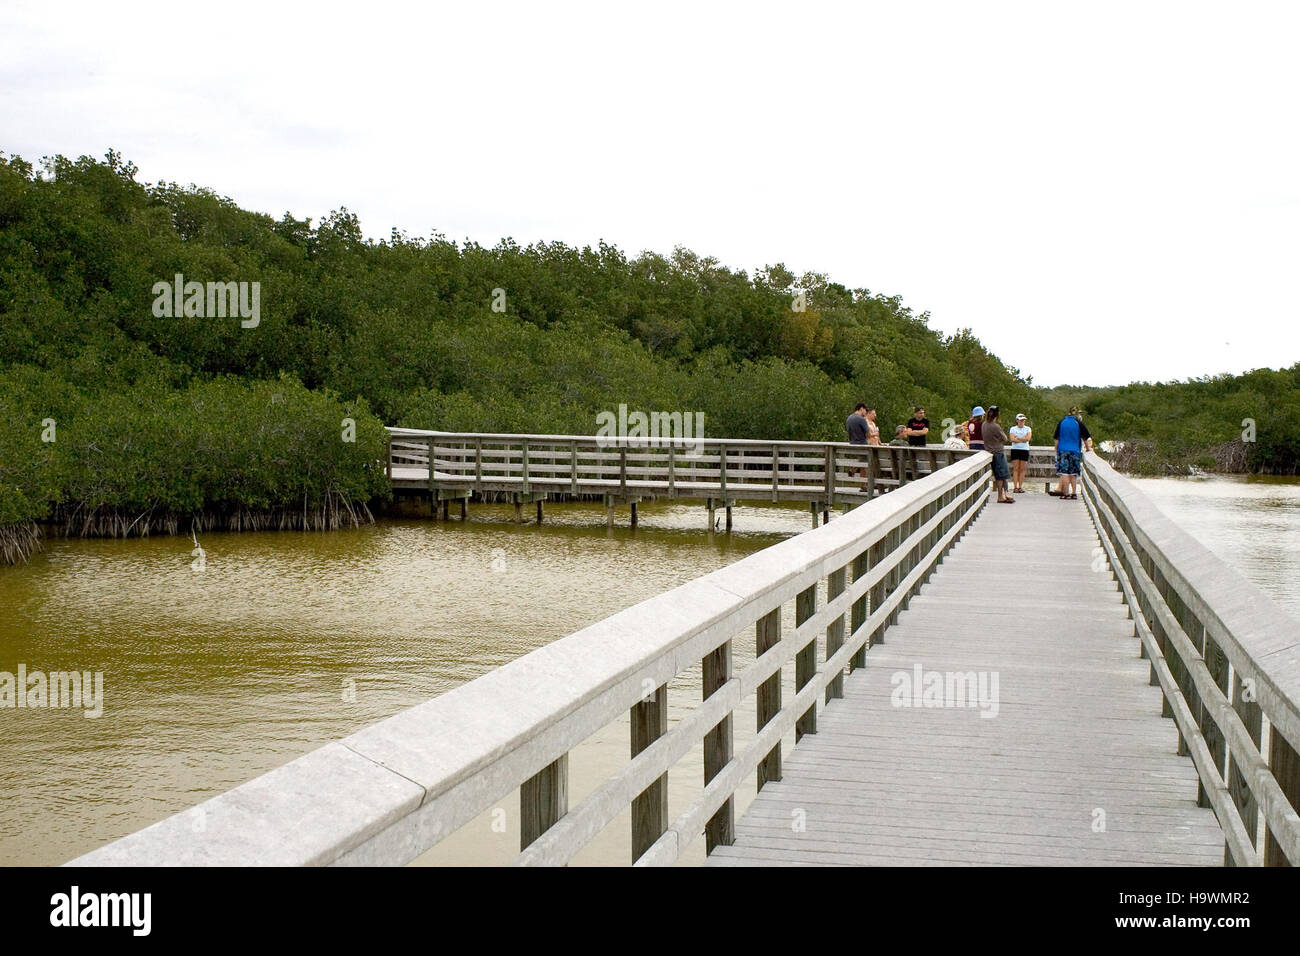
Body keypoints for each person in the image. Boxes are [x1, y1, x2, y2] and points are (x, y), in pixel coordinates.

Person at [1053, 406, 1093, 500]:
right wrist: (1088, 448)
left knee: (1064, 473)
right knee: (1073, 473)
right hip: (1075, 451)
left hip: (1063, 450)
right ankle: (1074, 493)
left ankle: (1066, 493)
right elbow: (1085, 437)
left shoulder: (1062, 422)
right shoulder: (1078, 423)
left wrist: (1056, 449)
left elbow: (1057, 438)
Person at [982, 405, 1014, 503]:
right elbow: (1004, 438)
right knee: (1001, 476)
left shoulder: (984, 424)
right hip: (998, 452)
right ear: (997, 415)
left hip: (989, 451)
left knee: (1001, 474)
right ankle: (1000, 496)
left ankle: (1006, 494)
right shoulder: (995, 426)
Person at [1008, 413, 1032, 494]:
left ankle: (1020, 486)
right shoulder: (1013, 429)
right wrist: (1022, 439)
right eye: (1020, 420)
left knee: (1022, 469)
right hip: (1015, 449)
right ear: (1017, 420)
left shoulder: (1028, 428)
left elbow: (1028, 438)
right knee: (1015, 469)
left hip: (1024, 449)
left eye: (1023, 420)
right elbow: (1012, 439)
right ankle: (1015, 487)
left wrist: (1018, 438)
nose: (1022, 422)